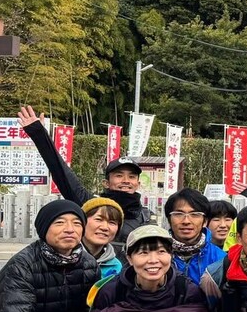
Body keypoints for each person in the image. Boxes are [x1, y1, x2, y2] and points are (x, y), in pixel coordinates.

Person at [17, 104, 152, 248]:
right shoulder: (89, 204)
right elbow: (61, 172)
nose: (126, 181)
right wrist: (39, 134)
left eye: (131, 177)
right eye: (119, 176)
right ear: (106, 183)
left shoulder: (145, 216)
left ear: (138, 183)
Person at [164, 188, 224, 284]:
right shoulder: (157, 256)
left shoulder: (220, 259)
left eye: (195, 214)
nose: (186, 221)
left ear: (205, 221)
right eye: (179, 214)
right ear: (169, 219)